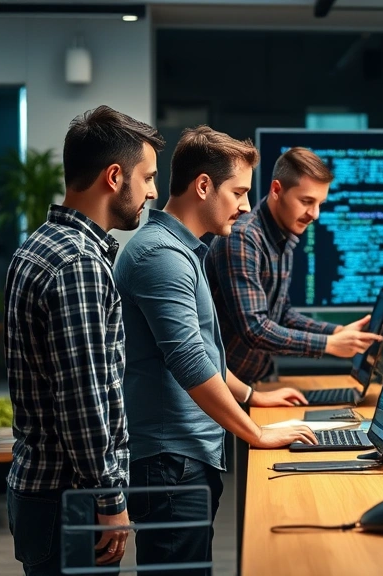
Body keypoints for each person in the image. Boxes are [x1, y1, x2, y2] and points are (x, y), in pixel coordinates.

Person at [114, 126, 317, 575]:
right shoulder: (160, 256)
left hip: (184, 457)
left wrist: (253, 397)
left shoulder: (184, 250)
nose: (246, 206)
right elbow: (188, 363)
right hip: (170, 460)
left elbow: (203, 351)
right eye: (238, 192)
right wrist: (256, 433)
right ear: (203, 186)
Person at [4, 105, 164, 575]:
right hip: (71, 498)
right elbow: (83, 398)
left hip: (40, 488)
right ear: (115, 177)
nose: (153, 191)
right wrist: (110, 497)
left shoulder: (38, 244)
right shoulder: (80, 264)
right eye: (148, 176)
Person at [206, 147, 382, 385]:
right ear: (277, 190)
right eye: (307, 201)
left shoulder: (283, 234)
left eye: (320, 203)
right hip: (225, 390)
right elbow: (255, 330)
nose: (315, 214)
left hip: (257, 379)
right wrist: (329, 345)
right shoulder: (243, 238)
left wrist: (335, 332)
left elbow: (281, 313)